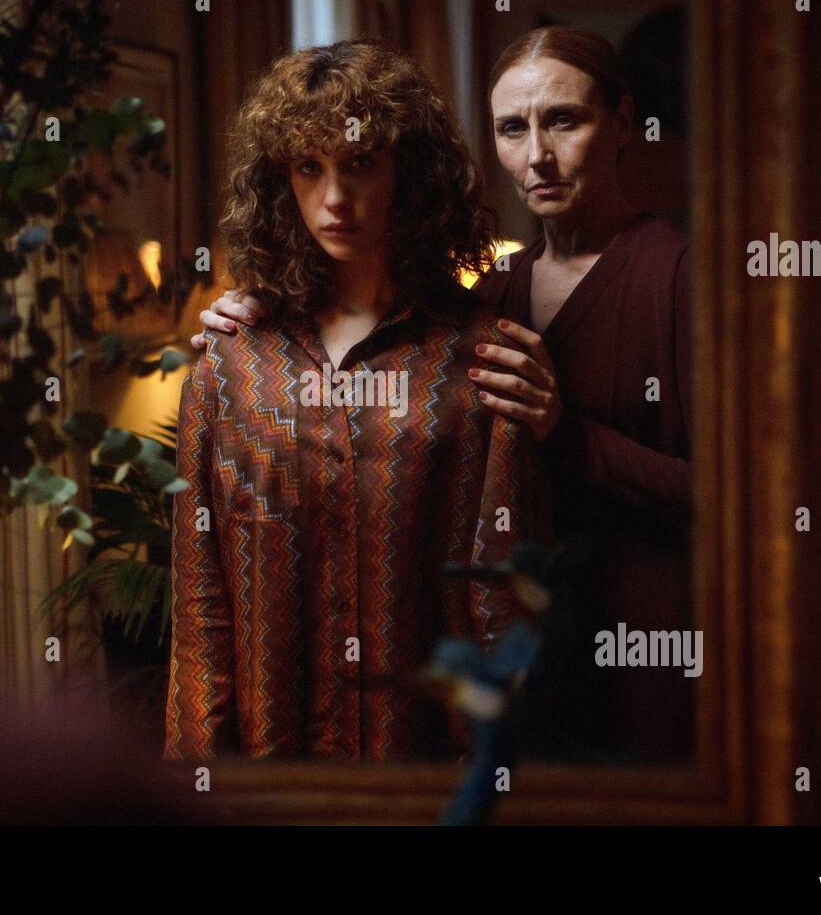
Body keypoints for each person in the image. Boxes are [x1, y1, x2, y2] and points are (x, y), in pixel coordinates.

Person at [194, 26, 694, 762]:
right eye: (512, 129)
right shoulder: (494, 293)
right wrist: (256, 313)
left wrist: (563, 431)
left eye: (563, 120)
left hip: (643, 643)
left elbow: (741, 502)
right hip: (522, 663)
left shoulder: (682, 276)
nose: (537, 155)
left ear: (622, 123)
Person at [163, 39, 549, 762]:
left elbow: (499, 597)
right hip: (272, 767)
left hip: (426, 767)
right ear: (280, 180)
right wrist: (198, 780)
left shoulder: (478, 358)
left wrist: (497, 779)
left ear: (408, 171)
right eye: (309, 168)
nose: (335, 198)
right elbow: (201, 607)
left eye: (360, 164)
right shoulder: (231, 366)